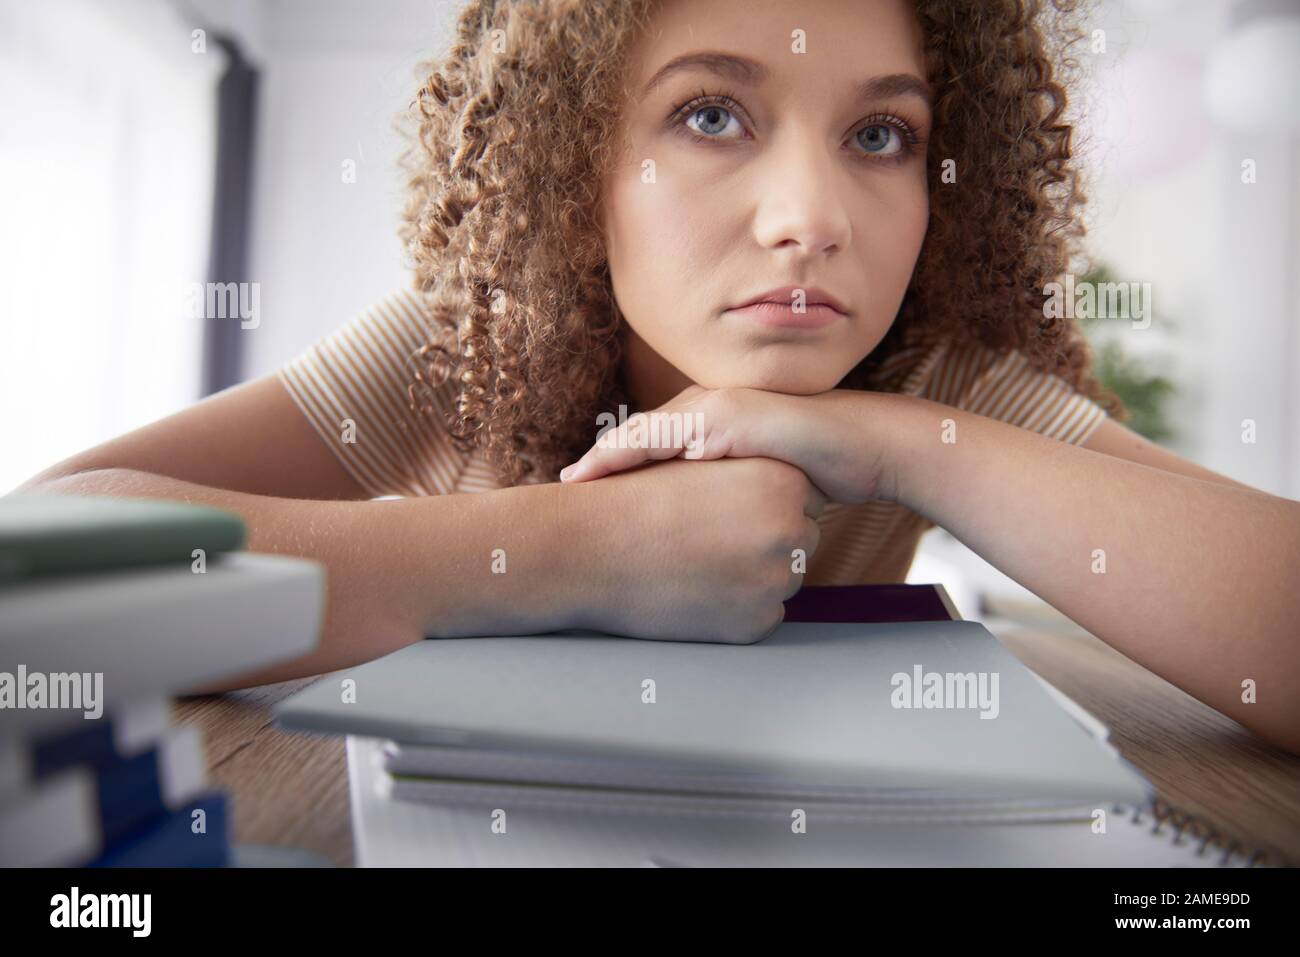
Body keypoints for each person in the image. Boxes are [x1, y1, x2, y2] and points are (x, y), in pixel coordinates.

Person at [20, 0, 1300, 753]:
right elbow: (37, 573)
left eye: (879, 134)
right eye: (709, 115)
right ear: (573, 164)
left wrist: (900, 446)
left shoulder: (932, 386)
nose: (809, 215)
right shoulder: (456, 350)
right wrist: (574, 545)